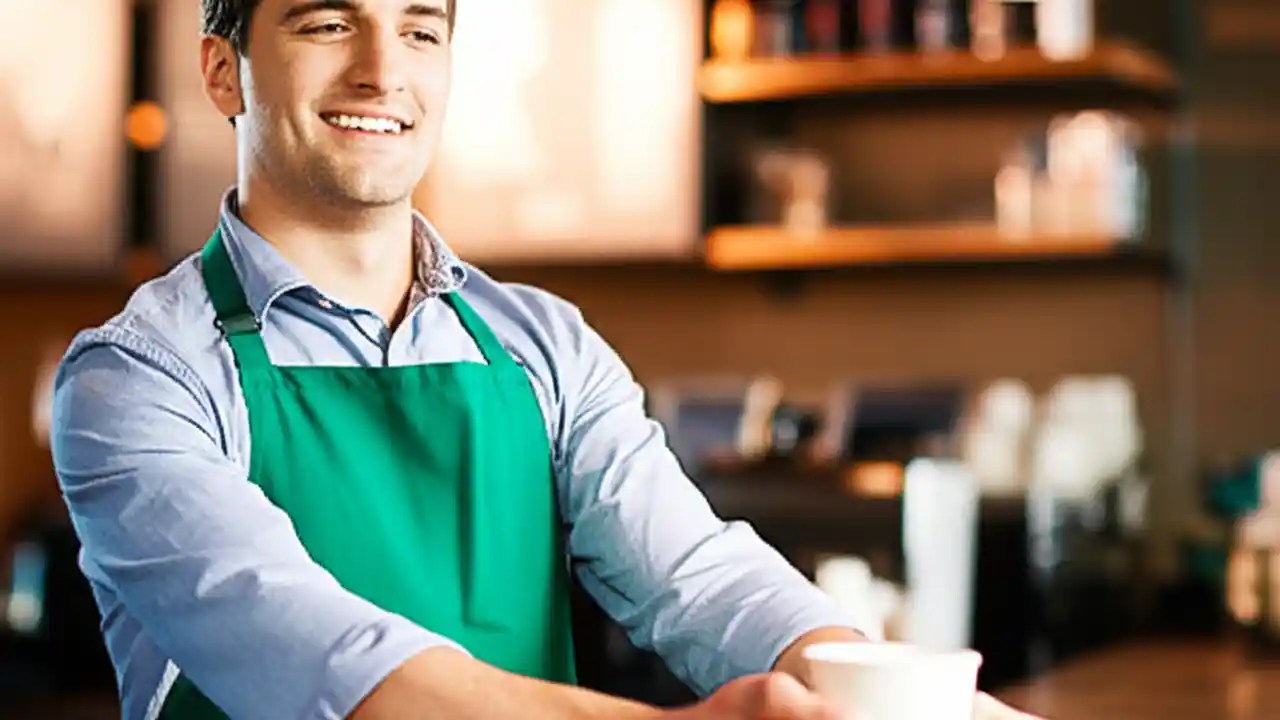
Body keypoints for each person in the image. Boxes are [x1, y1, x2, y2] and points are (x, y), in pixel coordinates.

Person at [50, 1, 1039, 718]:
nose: (381, 72)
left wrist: (886, 699)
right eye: (326, 24)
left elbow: (695, 577)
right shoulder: (138, 380)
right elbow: (324, 660)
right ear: (223, 70)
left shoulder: (545, 347)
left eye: (421, 29)